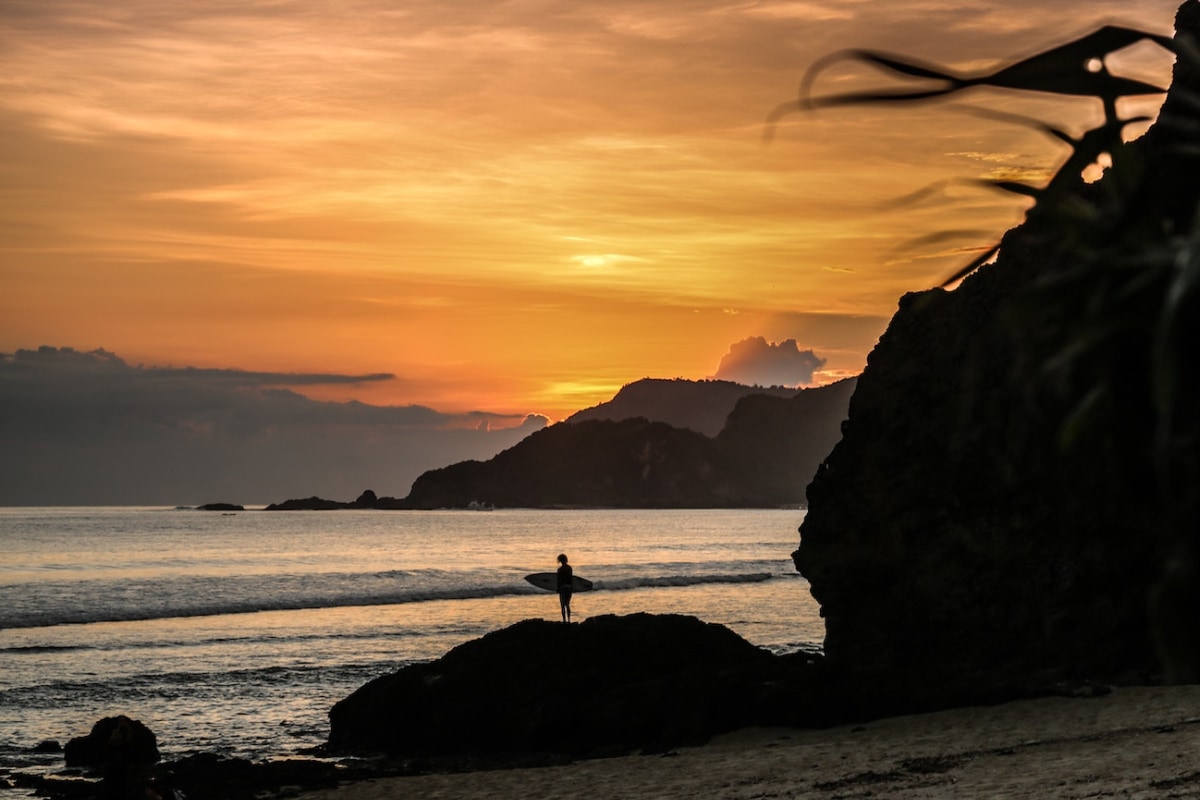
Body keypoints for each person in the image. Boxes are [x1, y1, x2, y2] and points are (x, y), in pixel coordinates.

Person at [555, 553, 574, 623]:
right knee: (567, 604)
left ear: (560, 560)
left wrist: (558, 588)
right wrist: (572, 587)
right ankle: (569, 620)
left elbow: (559, 580)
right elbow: (571, 579)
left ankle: (564, 621)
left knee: (562, 605)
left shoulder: (560, 569)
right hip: (569, 587)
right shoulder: (570, 568)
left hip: (562, 587)